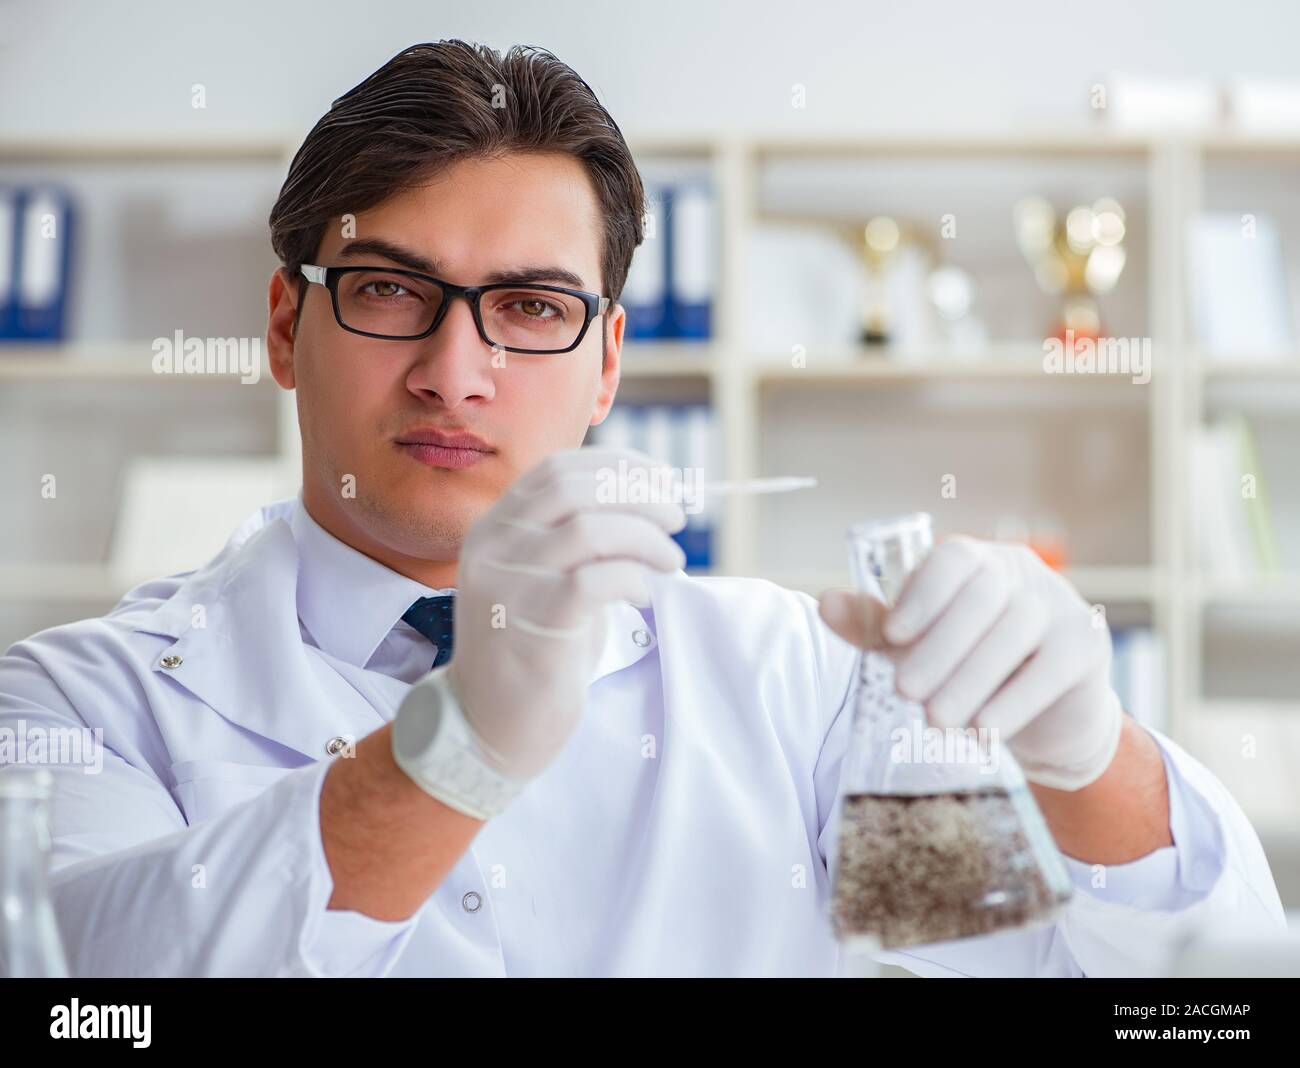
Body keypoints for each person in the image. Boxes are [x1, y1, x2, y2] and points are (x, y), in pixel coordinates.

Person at [0, 40, 1284, 978]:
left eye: (533, 307)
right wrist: (454, 753)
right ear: (287, 325)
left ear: (609, 362)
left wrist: (1090, 756)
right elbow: (86, 998)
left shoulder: (794, 683)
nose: (456, 369)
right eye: (390, 291)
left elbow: (1174, 997)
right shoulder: (75, 707)